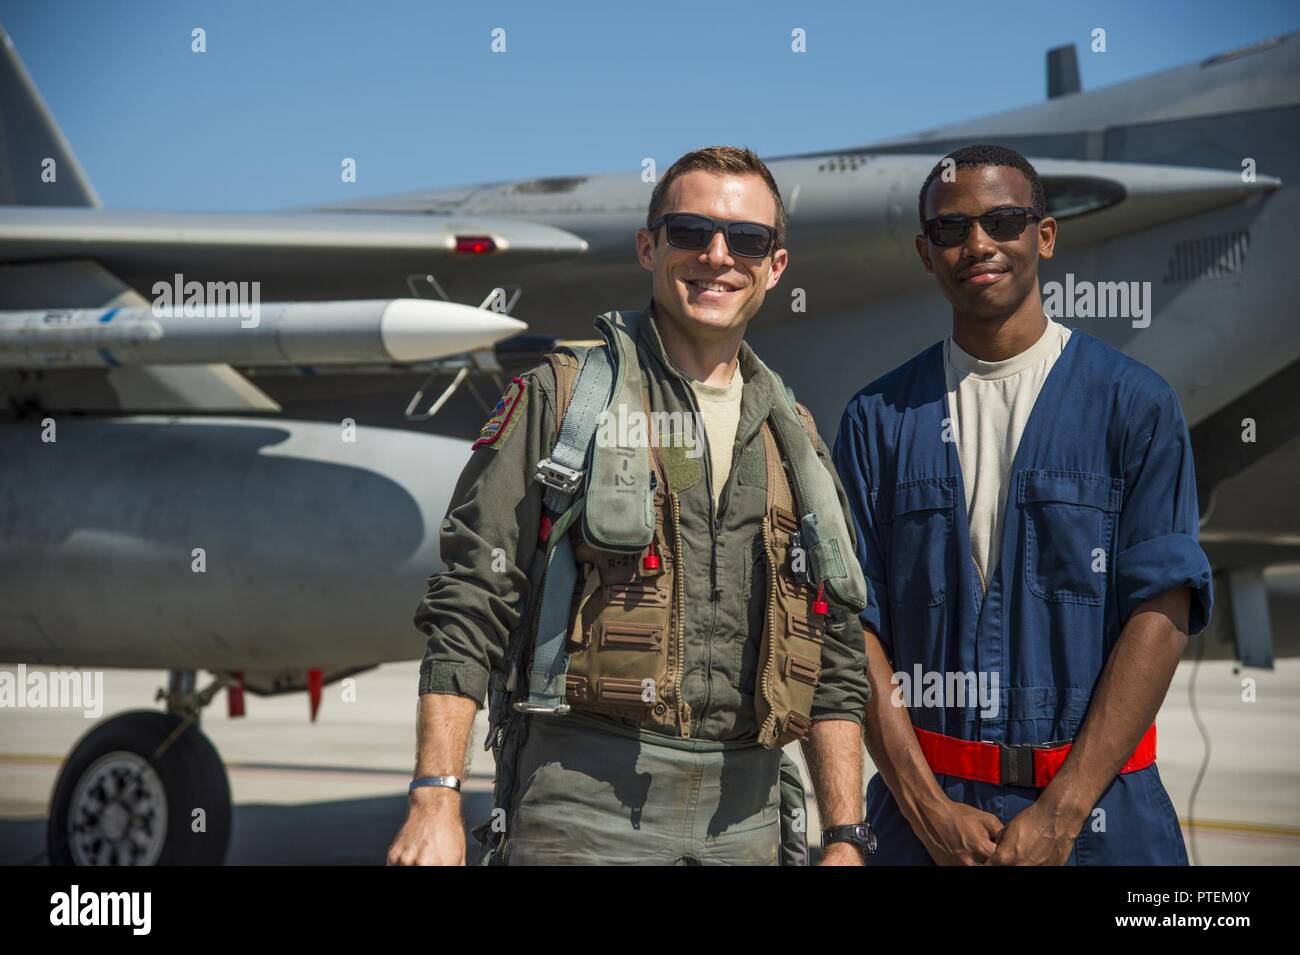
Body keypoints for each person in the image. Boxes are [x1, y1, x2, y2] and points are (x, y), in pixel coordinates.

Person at [388, 146, 874, 866]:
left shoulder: (792, 439)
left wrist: (845, 837)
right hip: (584, 813)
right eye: (690, 232)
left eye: (745, 239)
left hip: (747, 823)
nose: (717, 256)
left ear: (774, 267)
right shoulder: (560, 401)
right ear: (649, 247)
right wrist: (436, 794)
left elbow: (834, 656)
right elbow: (471, 602)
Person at [832, 144, 1213, 865]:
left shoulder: (1134, 405)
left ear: (1044, 235)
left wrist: (1063, 813)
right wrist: (925, 808)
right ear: (925, 252)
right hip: (925, 828)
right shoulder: (879, 419)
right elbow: (854, 625)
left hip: (1103, 820)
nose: (977, 243)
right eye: (950, 230)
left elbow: (1162, 612)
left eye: (1003, 221)